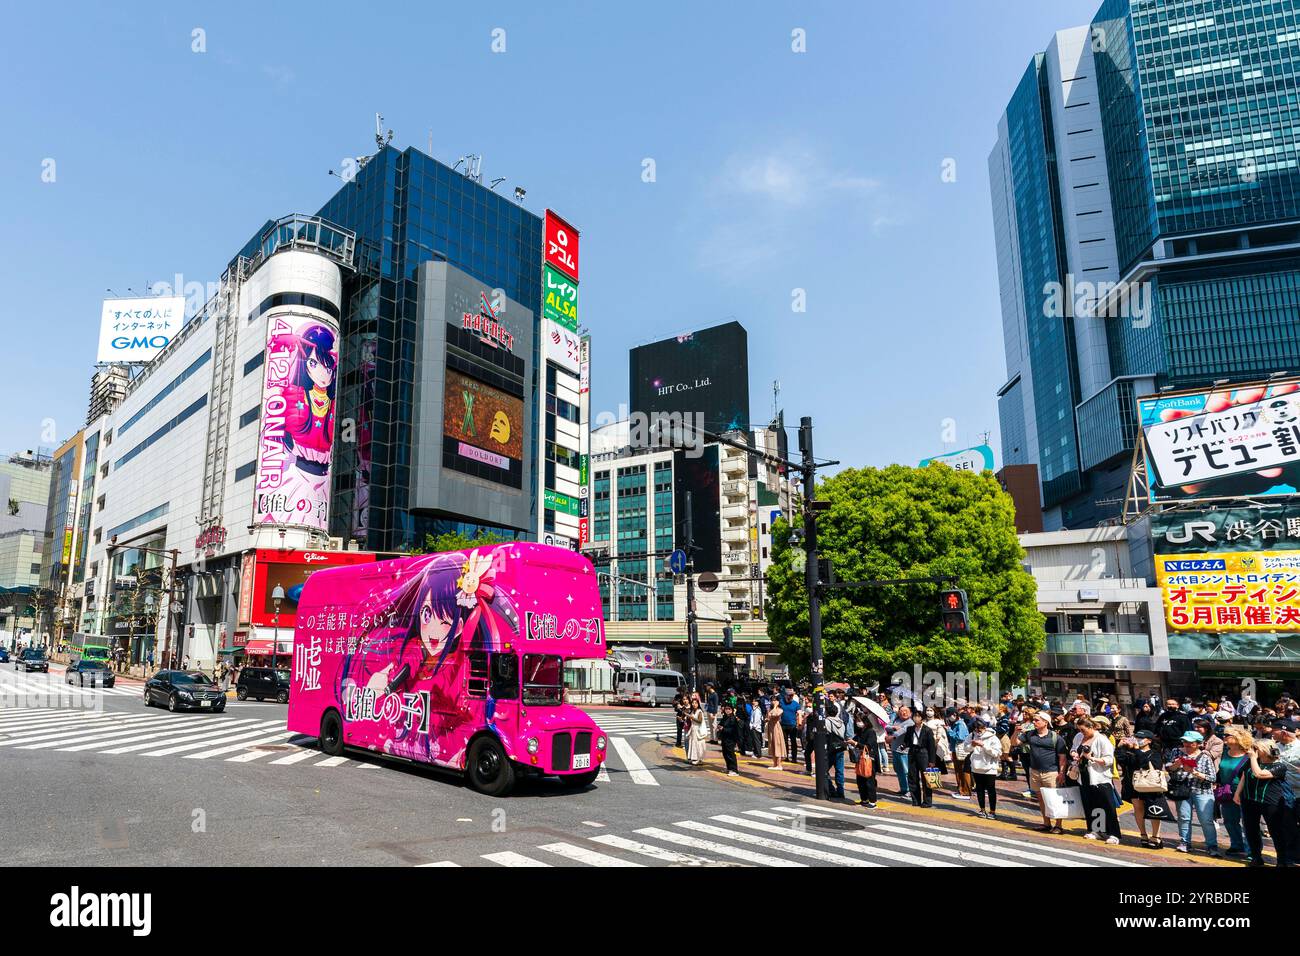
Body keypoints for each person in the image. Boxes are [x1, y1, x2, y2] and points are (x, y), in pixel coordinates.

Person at [1235, 739, 1291, 867]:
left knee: (1275, 831)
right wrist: (1238, 793)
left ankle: (1281, 861)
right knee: (1251, 829)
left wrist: (1253, 758)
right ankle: (1256, 857)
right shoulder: (1252, 761)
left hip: (1270, 802)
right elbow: (1244, 775)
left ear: (1265, 750)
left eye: (1256, 748)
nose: (1253, 751)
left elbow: (1259, 774)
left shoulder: (1279, 766)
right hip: (1249, 799)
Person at [1167, 730, 1219, 856]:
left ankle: (1212, 846)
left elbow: (1212, 778)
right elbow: (1168, 769)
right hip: (1182, 790)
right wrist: (1176, 765)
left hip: (1202, 791)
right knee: (1184, 818)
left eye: (1190, 743)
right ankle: (1185, 842)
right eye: (1185, 742)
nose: (1186, 745)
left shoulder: (1205, 756)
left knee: (1206, 820)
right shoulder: (1176, 752)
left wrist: (1194, 772)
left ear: (1198, 744)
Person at [1117, 730, 1171, 849]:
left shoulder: (1155, 753)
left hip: (1150, 785)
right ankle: (1143, 834)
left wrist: (1136, 750)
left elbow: (1146, 764)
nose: (1137, 739)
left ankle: (1156, 836)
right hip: (1133, 784)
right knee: (1138, 808)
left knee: (1153, 810)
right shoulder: (1129, 751)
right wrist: (1120, 746)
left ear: (1149, 740)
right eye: (1136, 737)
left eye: (1141, 738)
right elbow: (1120, 759)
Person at [1071, 717, 1120, 844]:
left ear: (1091, 727)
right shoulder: (1078, 737)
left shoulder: (1102, 739)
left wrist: (1092, 758)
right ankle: (1096, 830)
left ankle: (1113, 833)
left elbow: (1109, 760)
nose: (1082, 732)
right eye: (1080, 730)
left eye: (1083, 730)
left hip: (1100, 777)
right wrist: (1074, 754)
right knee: (1090, 804)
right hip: (1084, 775)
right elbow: (1073, 748)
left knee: (1107, 806)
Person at [1023, 711, 1069, 833]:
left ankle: (1058, 825)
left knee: (1055, 799)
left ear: (1045, 722)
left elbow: (1062, 757)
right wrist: (1017, 732)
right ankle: (1046, 823)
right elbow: (1014, 743)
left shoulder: (1056, 737)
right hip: (1035, 771)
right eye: (1034, 720)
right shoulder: (1030, 734)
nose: (1034, 722)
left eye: (1037, 720)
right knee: (1041, 798)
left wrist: (1062, 773)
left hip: (1051, 772)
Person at [1216, 726, 1253, 859]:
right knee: (1230, 820)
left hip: (1245, 792)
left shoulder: (1250, 754)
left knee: (1248, 822)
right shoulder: (1225, 752)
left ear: (1238, 737)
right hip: (1227, 791)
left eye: (1227, 735)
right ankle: (1236, 845)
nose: (1224, 737)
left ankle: (1251, 850)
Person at [903, 709, 937, 808]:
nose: (916, 718)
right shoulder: (910, 729)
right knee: (913, 777)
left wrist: (932, 761)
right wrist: (904, 745)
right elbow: (907, 741)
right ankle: (915, 800)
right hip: (912, 753)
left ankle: (927, 801)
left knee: (926, 778)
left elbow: (931, 746)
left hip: (924, 753)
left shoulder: (927, 730)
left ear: (922, 718)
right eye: (914, 716)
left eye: (918, 716)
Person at [968, 718, 1002, 819]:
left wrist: (984, 746)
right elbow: (965, 748)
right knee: (979, 789)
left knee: (991, 789)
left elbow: (997, 753)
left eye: (980, 730)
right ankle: (982, 810)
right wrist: (972, 745)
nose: (977, 732)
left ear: (985, 728)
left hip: (990, 768)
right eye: (975, 730)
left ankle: (992, 811)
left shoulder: (993, 738)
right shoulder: (972, 735)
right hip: (976, 767)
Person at [851, 710, 879, 808]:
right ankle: (864, 799)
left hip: (869, 759)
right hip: (861, 759)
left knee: (869, 780)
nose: (857, 722)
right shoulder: (860, 732)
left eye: (859, 720)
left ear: (865, 721)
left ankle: (872, 801)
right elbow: (854, 740)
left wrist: (856, 744)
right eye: (856, 720)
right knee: (860, 780)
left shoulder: (871, 732)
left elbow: (869, 746)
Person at [886, 705, 913, 798]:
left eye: (906, 711)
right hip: (894, 749)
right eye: (901, 711)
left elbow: (902, 731)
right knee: (898, 770)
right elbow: (887, 726)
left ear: (910, 713)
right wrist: (893, 727)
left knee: (906, 771)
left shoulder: (910, 722)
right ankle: (903, 789)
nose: (903, 712)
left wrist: (892, 736)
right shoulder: (896, 720)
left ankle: (910, 790)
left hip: (904, 751)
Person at [947, 709, 973, 800]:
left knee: (962, 771)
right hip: (956, 750)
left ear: (954, 714)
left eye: (950, 715)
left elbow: (961, 738)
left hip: (960, 751)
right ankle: (961, 789)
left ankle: (965, 791)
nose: (949, 717)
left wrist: (949, 731)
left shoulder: (960, 724)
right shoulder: (956, 724)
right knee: (959, 771)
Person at [717, 702, 741, 776]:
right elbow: (721, 724)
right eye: (726, 709)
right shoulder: (725, 717)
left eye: (729, 709)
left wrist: (723, 728)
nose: (727, 710)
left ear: (732, 710)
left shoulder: (733, 718)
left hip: (731, 739)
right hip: (724, 738)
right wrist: (719, 727)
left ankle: (734, 770)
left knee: (730, 754)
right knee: (725, 753)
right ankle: (729, 768)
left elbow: (733, 730)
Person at [765, 693, 787, 770]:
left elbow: (775, 714)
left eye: (775, 700)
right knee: (772, 744)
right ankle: (774, 764)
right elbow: (767, 717)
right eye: (772, 700)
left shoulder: (780, 709)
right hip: (770, 727)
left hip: (776, 727)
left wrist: (775, 706)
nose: (773, 702)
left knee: (778, 744)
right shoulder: (769, 709)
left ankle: (779, 765)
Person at [779, 688, 801, 763]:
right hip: (783, 725)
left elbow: (799, 714)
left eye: (792, 696)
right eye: (789, 696)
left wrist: (799, 723)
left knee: (793, 742)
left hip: (792, 725)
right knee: (784, 742)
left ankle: (794, 758)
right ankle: (786, 756)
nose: (790, 697)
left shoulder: (796, 704)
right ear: (785, 695)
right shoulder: (781, 702)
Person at [685, 695, 707, 766]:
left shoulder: (699, 711)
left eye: (696, 703)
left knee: (698, 745)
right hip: (693, 729)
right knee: (694, 744)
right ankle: (694, 758)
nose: (694, 704)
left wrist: (691, 717)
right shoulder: (693, 711)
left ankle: (698, 759)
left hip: (698, 730)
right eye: (693, 703)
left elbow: (700, 721)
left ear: (698, 704)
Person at [748, 693, 765, 759]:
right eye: (753, 701)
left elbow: (757, 719)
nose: (753, 702)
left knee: (756, 741)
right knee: (754, 741)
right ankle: (755, 752)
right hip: (753, 727)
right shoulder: (754, 709)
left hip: (756, 728)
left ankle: (758, 754)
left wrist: (753, 726)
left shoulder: (757, 710)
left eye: (755, 701)